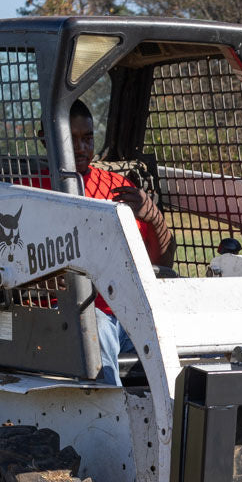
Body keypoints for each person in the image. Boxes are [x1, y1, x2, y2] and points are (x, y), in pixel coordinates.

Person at [68, 99, 175, 385]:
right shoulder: (34, 188)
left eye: (87, 138)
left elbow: (163, 263)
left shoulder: (117, 187)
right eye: (72, 138)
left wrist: (153, 216)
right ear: (47, 139)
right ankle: (110, 419)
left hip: (128, 309)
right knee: (96, 331)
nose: (81, 147)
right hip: (73, 311)